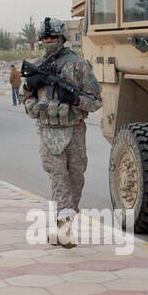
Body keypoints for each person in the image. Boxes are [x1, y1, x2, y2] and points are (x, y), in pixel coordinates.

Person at [20, 17, 101, 247]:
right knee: (59, 180)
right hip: (48, 130)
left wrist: (75, 99)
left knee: (76, 180)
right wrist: (28, 86)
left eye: (53, 37)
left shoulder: (78, 65)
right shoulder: (37, 65)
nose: (48, 41)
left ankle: (63, 227)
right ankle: (64, 224)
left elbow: (96, 101)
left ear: (63, 38)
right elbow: (24, 99)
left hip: (74, 130)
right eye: (45, 37)